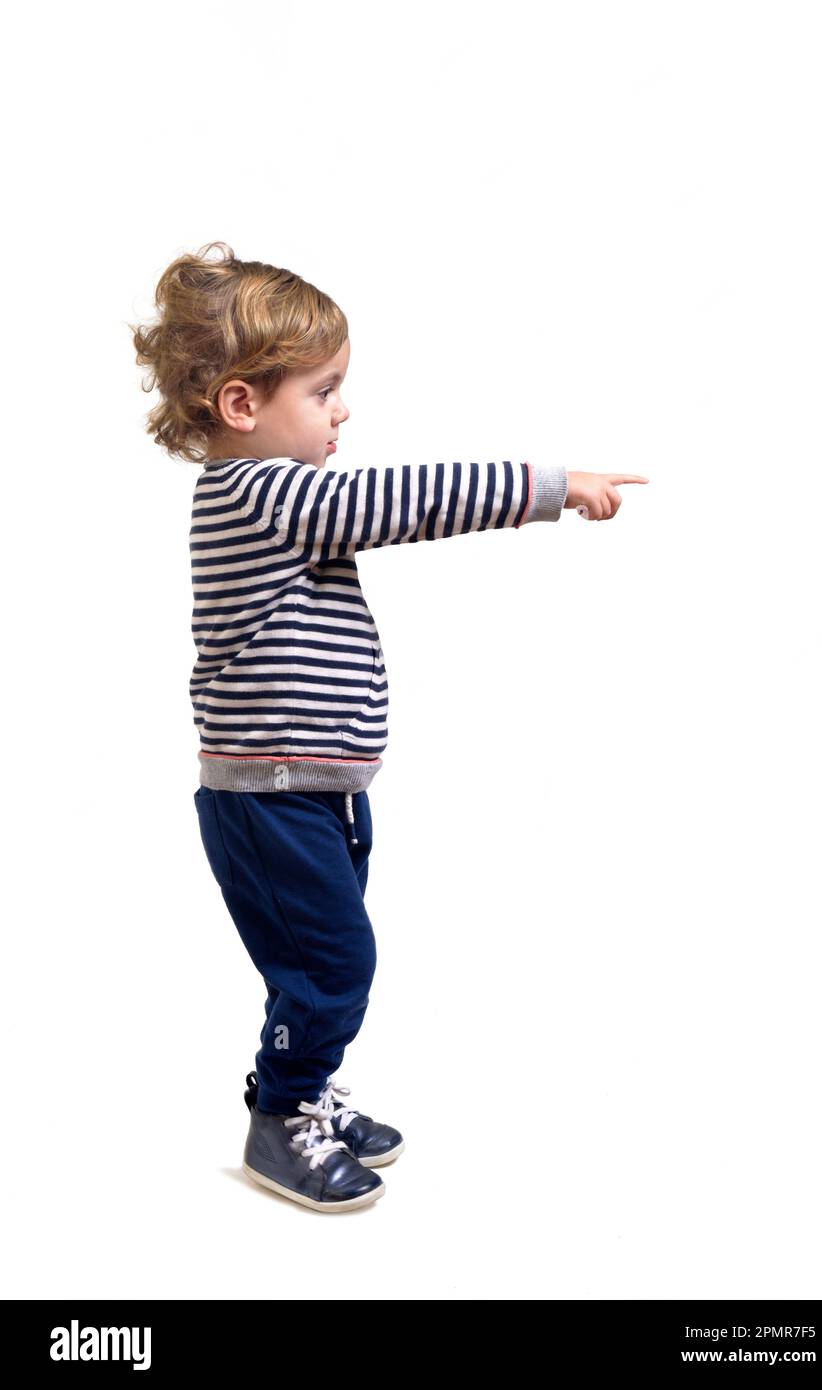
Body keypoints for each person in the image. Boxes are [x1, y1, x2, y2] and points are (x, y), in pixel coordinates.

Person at [130, 240, 649, 1213]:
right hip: (271, 800)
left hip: (314, 790)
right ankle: (280, 1119)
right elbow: (396, 501)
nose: (342, 410)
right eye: (323, 391)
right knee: (334, 963)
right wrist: (549, 484)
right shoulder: (261, 493)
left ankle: (303, 1089)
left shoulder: (273, 498)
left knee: (321, 960)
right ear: (243, 404)